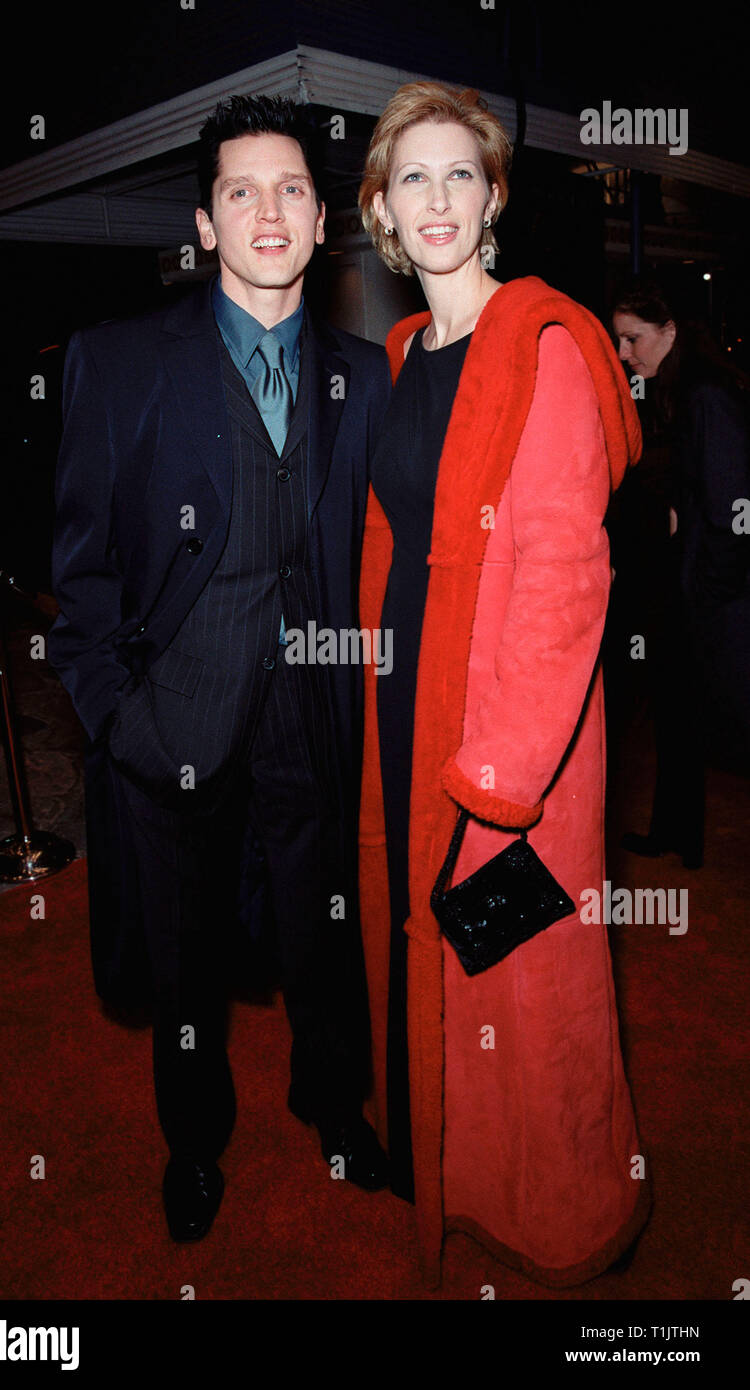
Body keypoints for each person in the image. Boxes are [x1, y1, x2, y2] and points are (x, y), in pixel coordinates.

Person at [49, 94, 390, 1243]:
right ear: (205, 224)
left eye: (290, 186)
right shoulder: (119, 363)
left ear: (323, 217)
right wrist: (120, 723)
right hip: (174, 723)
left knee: (323, 928)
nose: (268, 209)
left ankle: (333, 1100)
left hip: (317, 713)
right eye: (240, 191)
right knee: (187, 960)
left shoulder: (365, 374)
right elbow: (82, 579)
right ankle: (195, 1141)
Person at [357, 81, 650, 1286]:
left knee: (524, 989)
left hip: (510, 748)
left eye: (457, 175)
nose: (435, 198)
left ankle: (563, 1210)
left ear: (493, 202)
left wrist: (499, 775)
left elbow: (566, 574)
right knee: (430, 962)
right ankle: (455, 1174)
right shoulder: (403, 353)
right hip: (406, 701)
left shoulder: (543, 345)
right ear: (381, 210)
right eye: (410, 177)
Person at [611, 281, 750, 866]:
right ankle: (675, 832)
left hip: (713, 602)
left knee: (724, 725)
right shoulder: (676, 389)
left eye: (632, 338)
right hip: (686, 591)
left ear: (669, 333)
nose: (624, 353)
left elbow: (732, 512)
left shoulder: (706, 394)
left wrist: (704, 594)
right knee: (677, 716)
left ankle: (681, 834)